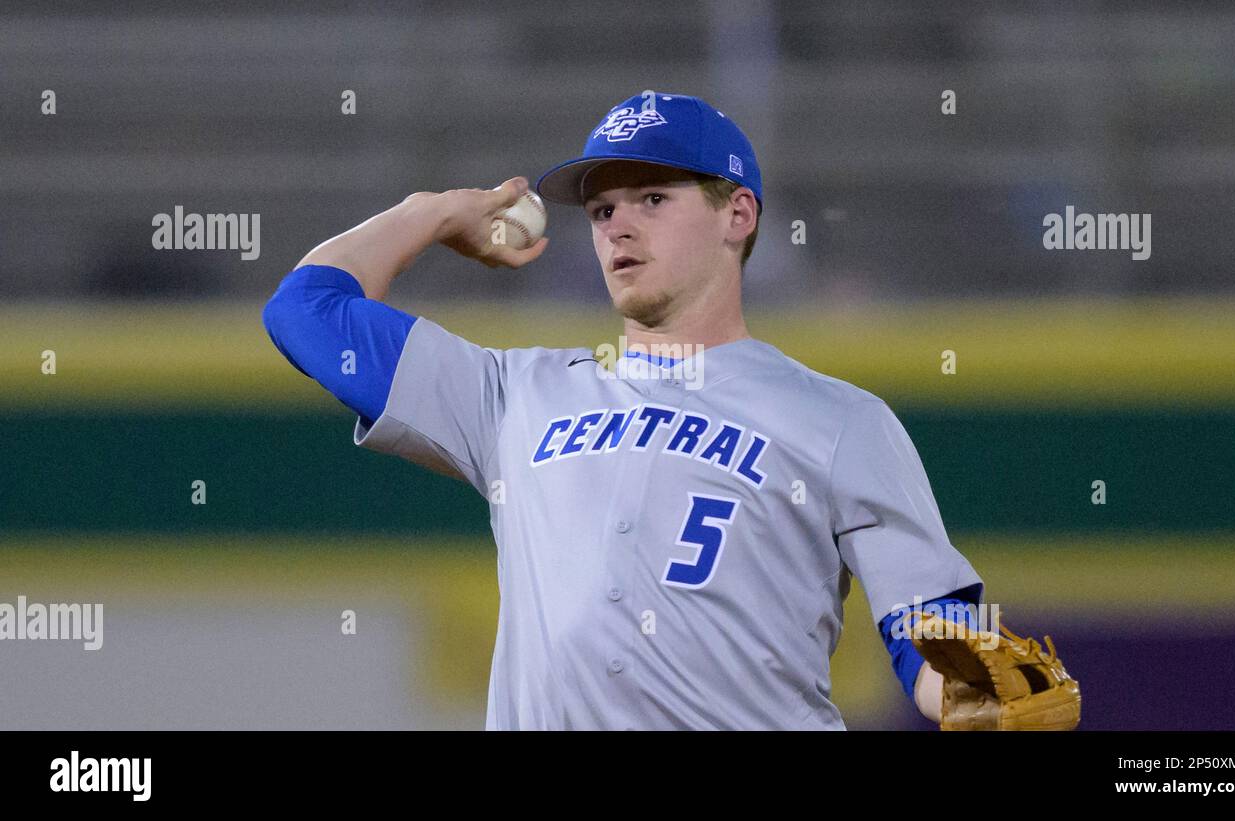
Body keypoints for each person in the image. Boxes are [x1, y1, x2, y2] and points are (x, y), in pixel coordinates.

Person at [262, 92, 984, 730]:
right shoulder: (515, 396)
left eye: (652, 199)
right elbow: (306, 311)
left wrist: (984, 691)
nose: (617, 227)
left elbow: (934, 636)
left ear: (738, 213)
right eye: (603, 209)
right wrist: (434, 211)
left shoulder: (839, 421)